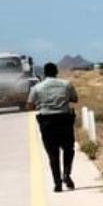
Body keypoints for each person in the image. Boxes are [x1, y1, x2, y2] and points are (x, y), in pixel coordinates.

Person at [29, 62, 79, 192]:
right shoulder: (66, 84)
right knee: (68, 149)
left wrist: (41, 104)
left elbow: (29, 105)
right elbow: (75, 99)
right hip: (64, 120)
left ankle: (57, 183)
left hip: (47, 122)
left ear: (44, 73)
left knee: (52, 154)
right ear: (56, 72)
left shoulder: (38, 87)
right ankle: (67, 174)